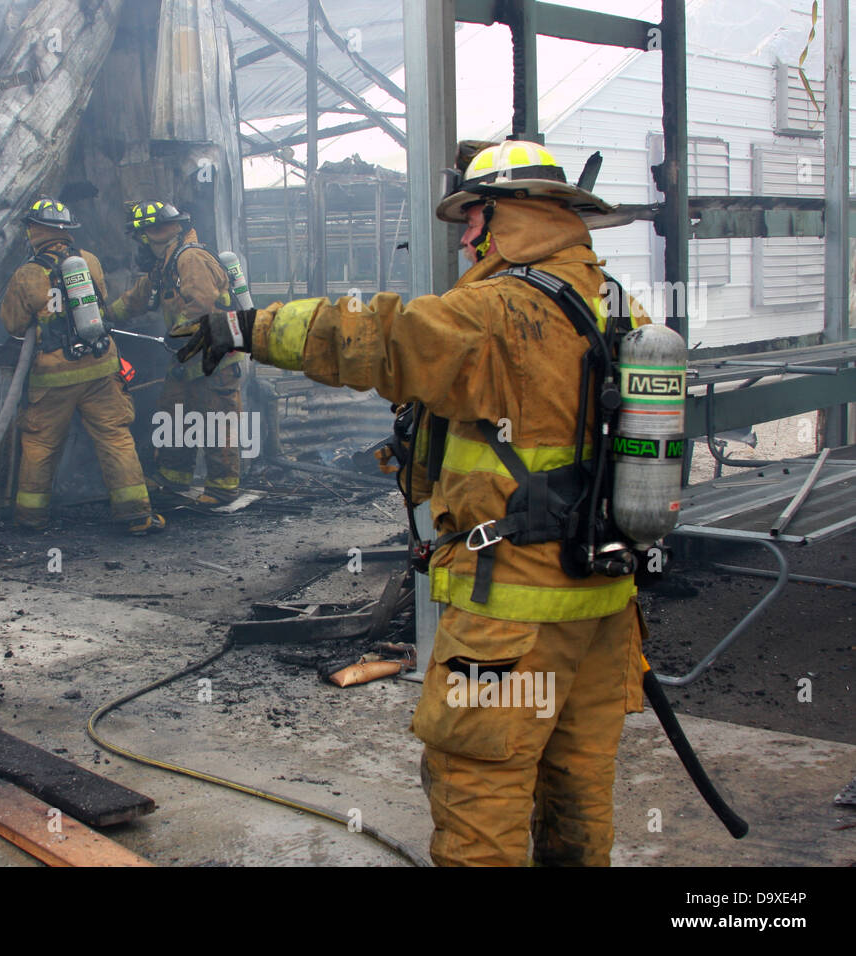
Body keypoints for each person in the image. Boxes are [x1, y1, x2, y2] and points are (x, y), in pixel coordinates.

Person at [179, 142, 651, 866]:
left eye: (472, 218)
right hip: (602, 603)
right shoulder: (613, 301)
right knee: (576, 779)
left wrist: (246, 328)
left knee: (478, 784)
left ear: (511, 216)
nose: (464, 236)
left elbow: (377, 334)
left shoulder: (498, 311)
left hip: (511, 613)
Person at [0, 197, 165, 536]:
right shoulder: (88, 261)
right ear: (66, 231)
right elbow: (100, 302)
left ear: (34, 230)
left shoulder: (26, 275)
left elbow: (14, 326)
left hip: (54, 375)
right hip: (101, 365)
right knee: (115, 438)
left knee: (40, 445)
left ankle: (30, 520)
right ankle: (136, 516)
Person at [109, 200, 245, 506]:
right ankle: (174, 478)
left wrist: (177, 334)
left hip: (215, 358)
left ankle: (223, 488)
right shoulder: (166, 266)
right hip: (188, 358)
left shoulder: (191, 258)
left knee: (215, 421)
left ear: (152, 234)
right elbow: (139, 296)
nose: (140, 243)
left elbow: (201, 304)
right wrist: (105, 316)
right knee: (174, 415)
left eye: (140, 235)